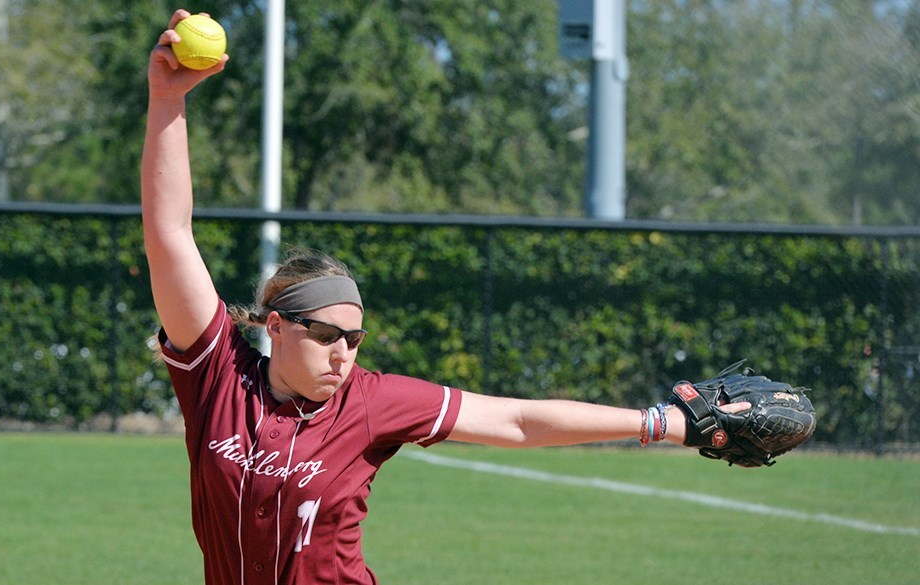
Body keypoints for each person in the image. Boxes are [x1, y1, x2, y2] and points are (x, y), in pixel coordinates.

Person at [142, 9, 746, 585]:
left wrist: (660, 423)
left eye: (354, 339)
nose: (343, 354)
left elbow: (515, 420)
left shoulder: (369, 402)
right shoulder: (219, 377)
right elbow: (170, 235)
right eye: (325, 336)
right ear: (276, 326)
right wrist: (167, 100)